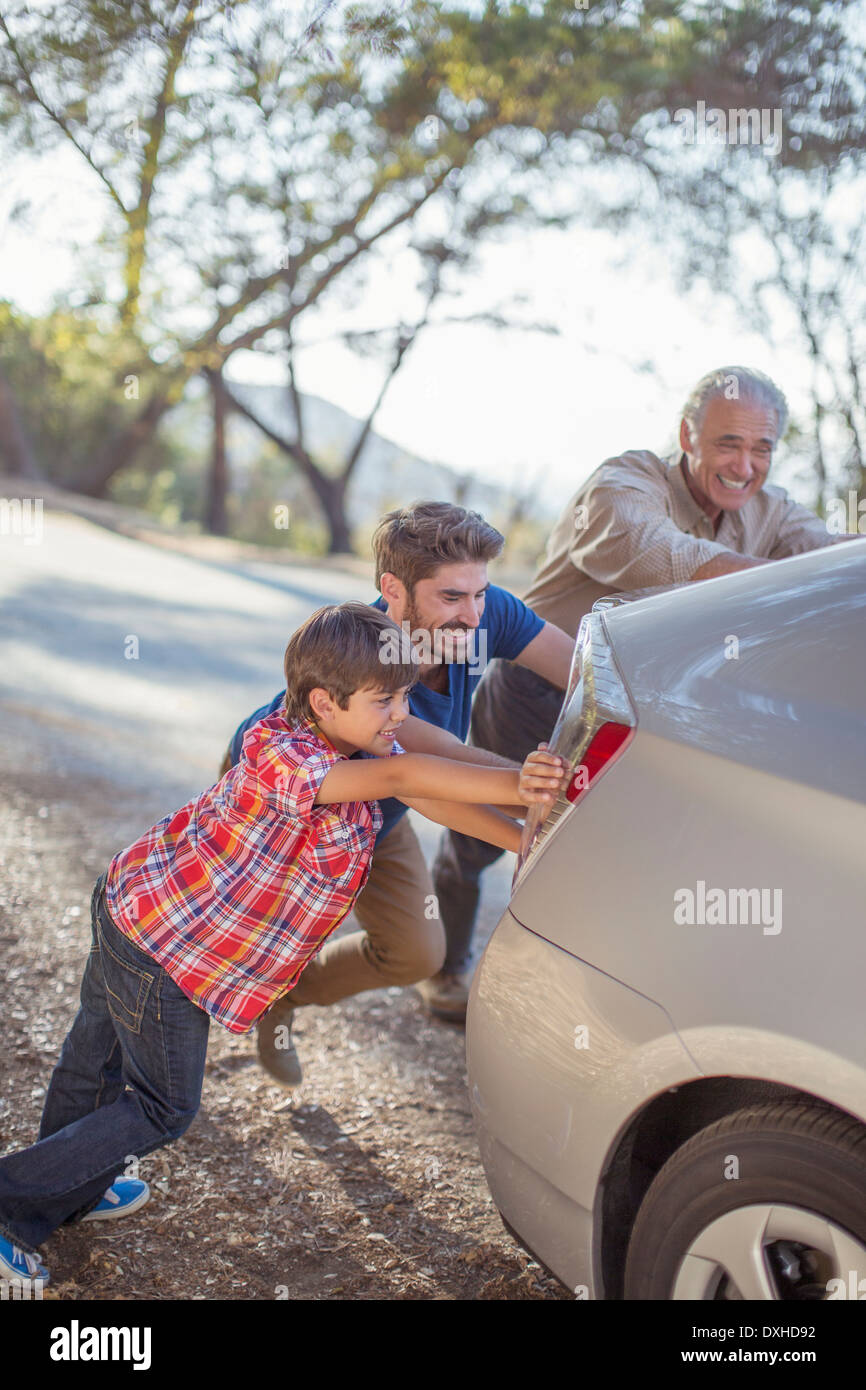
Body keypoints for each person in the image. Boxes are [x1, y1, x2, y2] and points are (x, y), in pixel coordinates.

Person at [0, 603, 568, 1287]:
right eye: (386, 699)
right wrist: (521, 785)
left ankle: (65, 1188)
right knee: (162, 1106)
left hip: (141, 913)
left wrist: (527, 836)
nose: (401, 712)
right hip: (162, 950)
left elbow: (420, 789)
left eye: (406, 695)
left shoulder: (347, 741)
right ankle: (12, 1206)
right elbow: (404, 778)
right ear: (324, 701)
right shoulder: (280, 752)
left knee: (95, 1063)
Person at [433, 365, 849, 1019]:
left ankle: (568, 1012)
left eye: (761, 448)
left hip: (645, 710)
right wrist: (780, 583)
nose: (745, 465)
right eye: (728, 444)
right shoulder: (624, 482)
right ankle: (444, 965)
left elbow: (832, 555)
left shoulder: (772, 512)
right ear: (688, 435)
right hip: (540, 695)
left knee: (612, 853)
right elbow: (659, 553)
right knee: (488, 837)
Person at [222, 501, 575, 1072]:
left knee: (417, 954)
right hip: (282, 808)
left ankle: (282, 996)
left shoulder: (483, 616)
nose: (472, 614)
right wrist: (553, 796)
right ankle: (146, 1081)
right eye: (451, 597)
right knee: (222, 946)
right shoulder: (368, 665)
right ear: (393, 589)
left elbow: (582, 673)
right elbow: (442, 769)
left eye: (480, 593)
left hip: (376, 809)